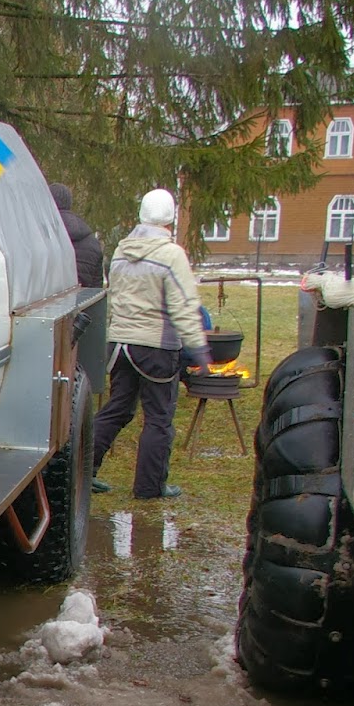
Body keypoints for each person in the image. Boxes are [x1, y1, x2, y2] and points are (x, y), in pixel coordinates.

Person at [90, 188, 212, 500]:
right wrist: (198, 348)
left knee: (117, 409)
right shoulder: (172, 255)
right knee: (159, 417)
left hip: (119, 344)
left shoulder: (120, 251)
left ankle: (81, 472)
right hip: (156, 346)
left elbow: (114, 296)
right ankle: (149, 487)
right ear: (170, 217)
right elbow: (185, 305)